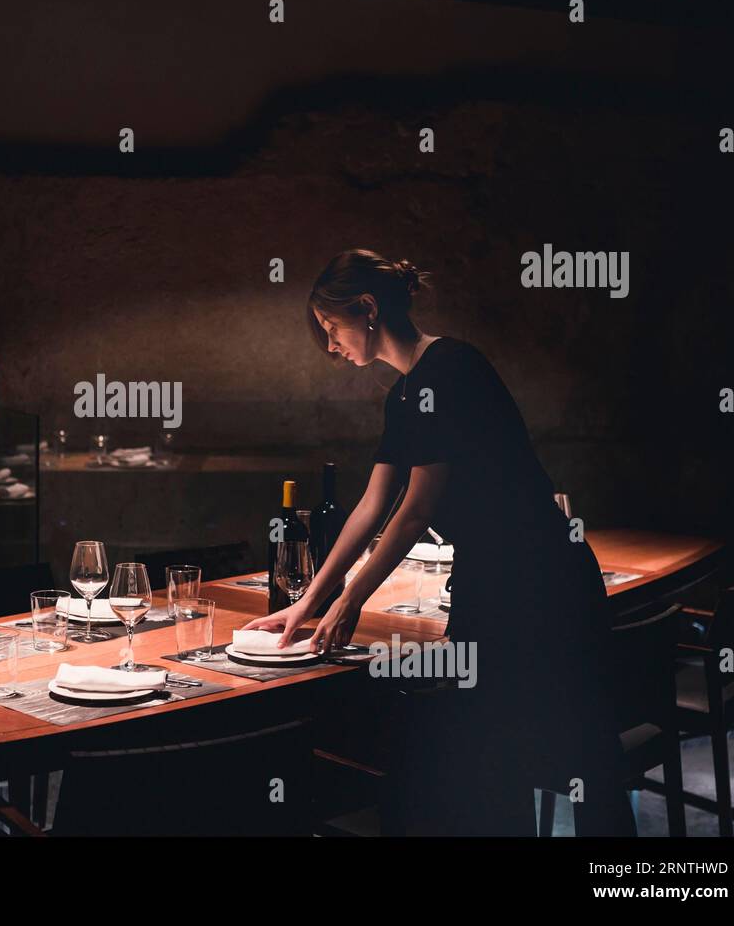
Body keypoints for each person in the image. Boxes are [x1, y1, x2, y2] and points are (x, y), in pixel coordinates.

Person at [243, 248, 634, 835]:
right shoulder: (401, 395)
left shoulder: (450, 368)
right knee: (495, 761)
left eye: (332, 327)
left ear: (367, 308)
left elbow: (412, 511)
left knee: (574, 759)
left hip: (539, 583)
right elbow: (370, 509)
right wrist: (309, 603)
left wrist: (350, 603)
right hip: (494, 583)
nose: (330, 346)